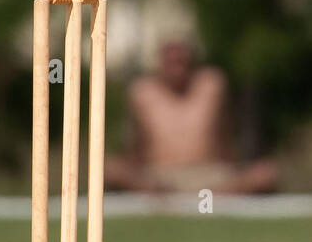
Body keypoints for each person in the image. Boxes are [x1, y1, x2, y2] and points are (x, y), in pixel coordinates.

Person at [107, 40, 278, 194]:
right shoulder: (142, 93)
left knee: (266, 173)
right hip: (159, 178)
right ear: (161, 63)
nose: (177, 69)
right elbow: (135, 144)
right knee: (106, 168)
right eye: (172, 63)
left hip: (211, 176)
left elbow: (226, 134)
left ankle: (214, 195)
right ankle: (176, 197)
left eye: (181, 62)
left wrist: (235, 170)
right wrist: (140, 177)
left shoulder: (211, 85)